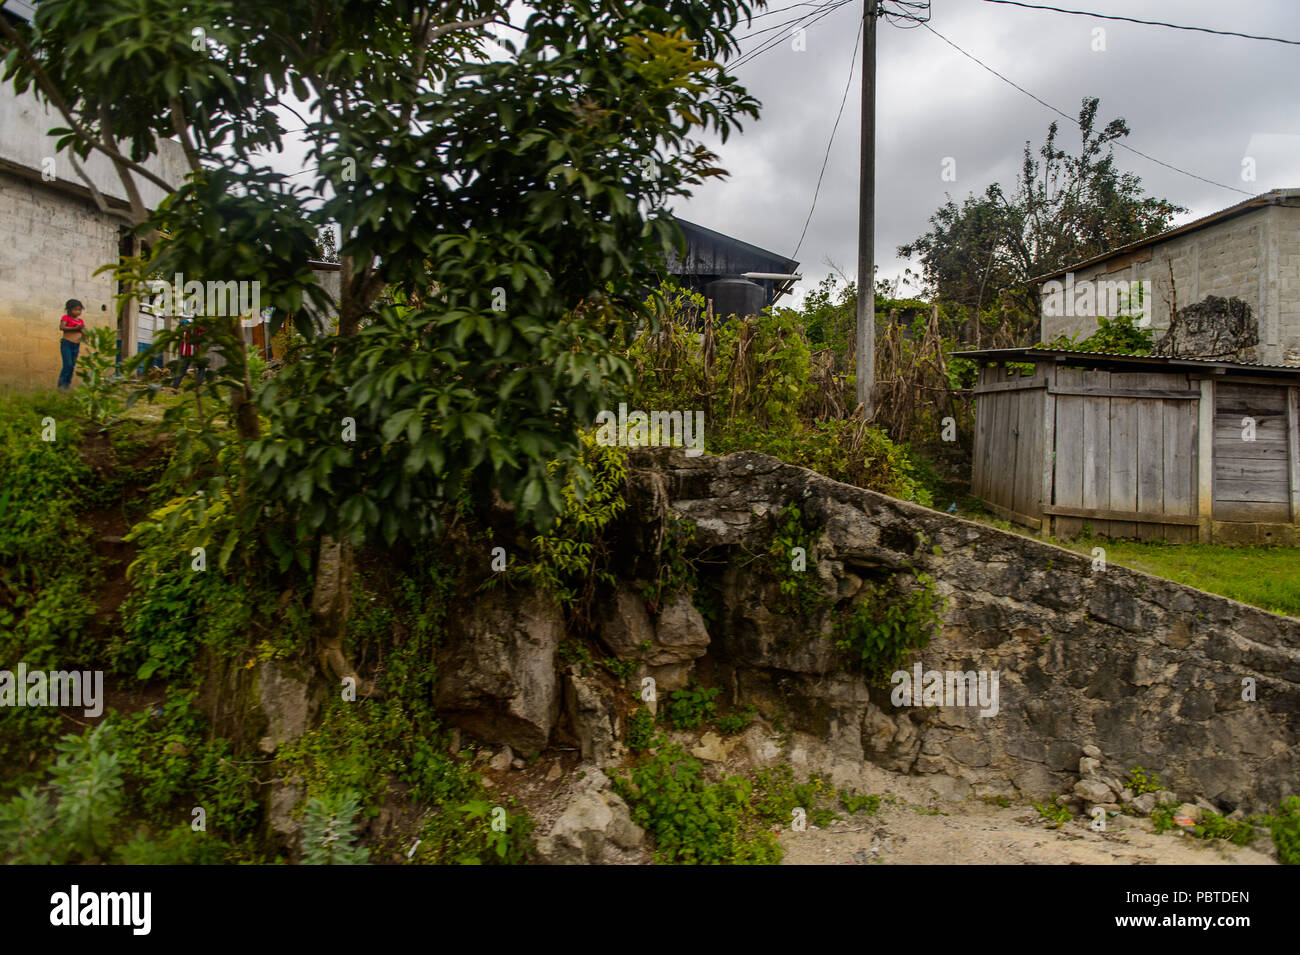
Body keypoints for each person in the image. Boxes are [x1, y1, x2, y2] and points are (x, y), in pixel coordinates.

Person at [57, 299, 86, 389]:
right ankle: (61, 386)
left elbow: (83, 331)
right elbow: (62, 327)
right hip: (67, 344)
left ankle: (66, 386)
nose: (78, 312)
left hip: (76, 345)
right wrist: (75, 328)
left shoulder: (80, 321)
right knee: (68, 365)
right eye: (75, 309)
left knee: (72, 367)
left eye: (79, 310)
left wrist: (85, 336)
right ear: (69, 310)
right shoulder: (66, 318)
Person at [172, 318, 207, 388]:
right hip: (194, 353)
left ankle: (175, 386)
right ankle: (198, 383)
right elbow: (203, 330)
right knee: (201, 367)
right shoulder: (196, 329)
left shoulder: (181, 330)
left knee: (182, 370)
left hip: (184, 353)